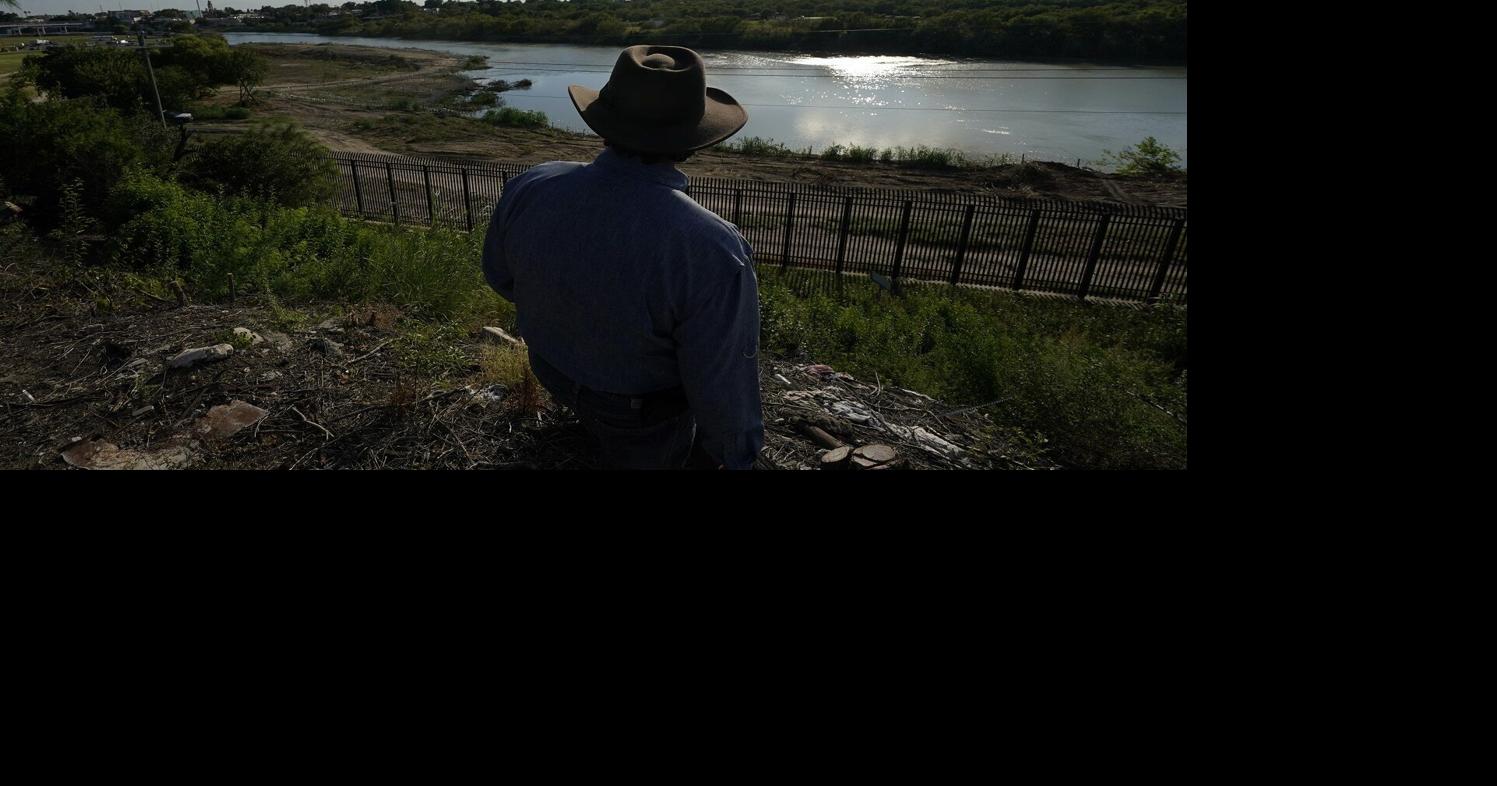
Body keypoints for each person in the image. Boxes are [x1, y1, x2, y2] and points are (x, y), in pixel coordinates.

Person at [481, 45, 764, 470]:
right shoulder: (710, 245)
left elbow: (500, 277)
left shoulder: (533, 184)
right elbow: (720, 377)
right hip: (636, 412)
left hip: (550, 367)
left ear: (604, 125)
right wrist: (737, 456)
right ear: (691, 141)